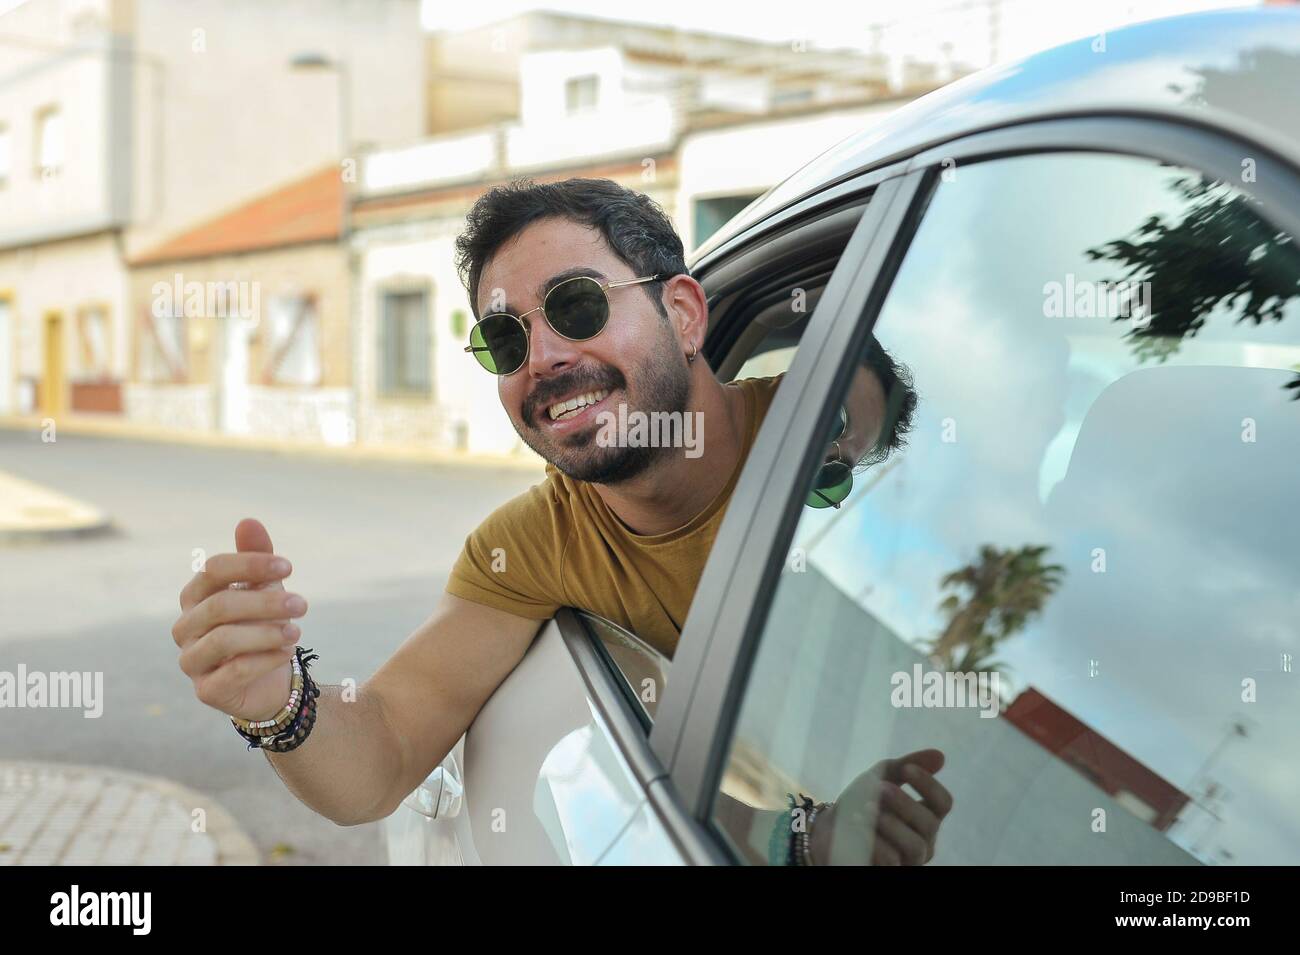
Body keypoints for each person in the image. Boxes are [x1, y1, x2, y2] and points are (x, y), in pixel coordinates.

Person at [170, 177, 949, 865]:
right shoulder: (530, 545)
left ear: (682, 312)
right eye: (505, 340)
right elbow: (382, 753)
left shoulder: (830, 422)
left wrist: (869, 415)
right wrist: (277, 699)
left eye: (576, 305)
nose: (540, 355)